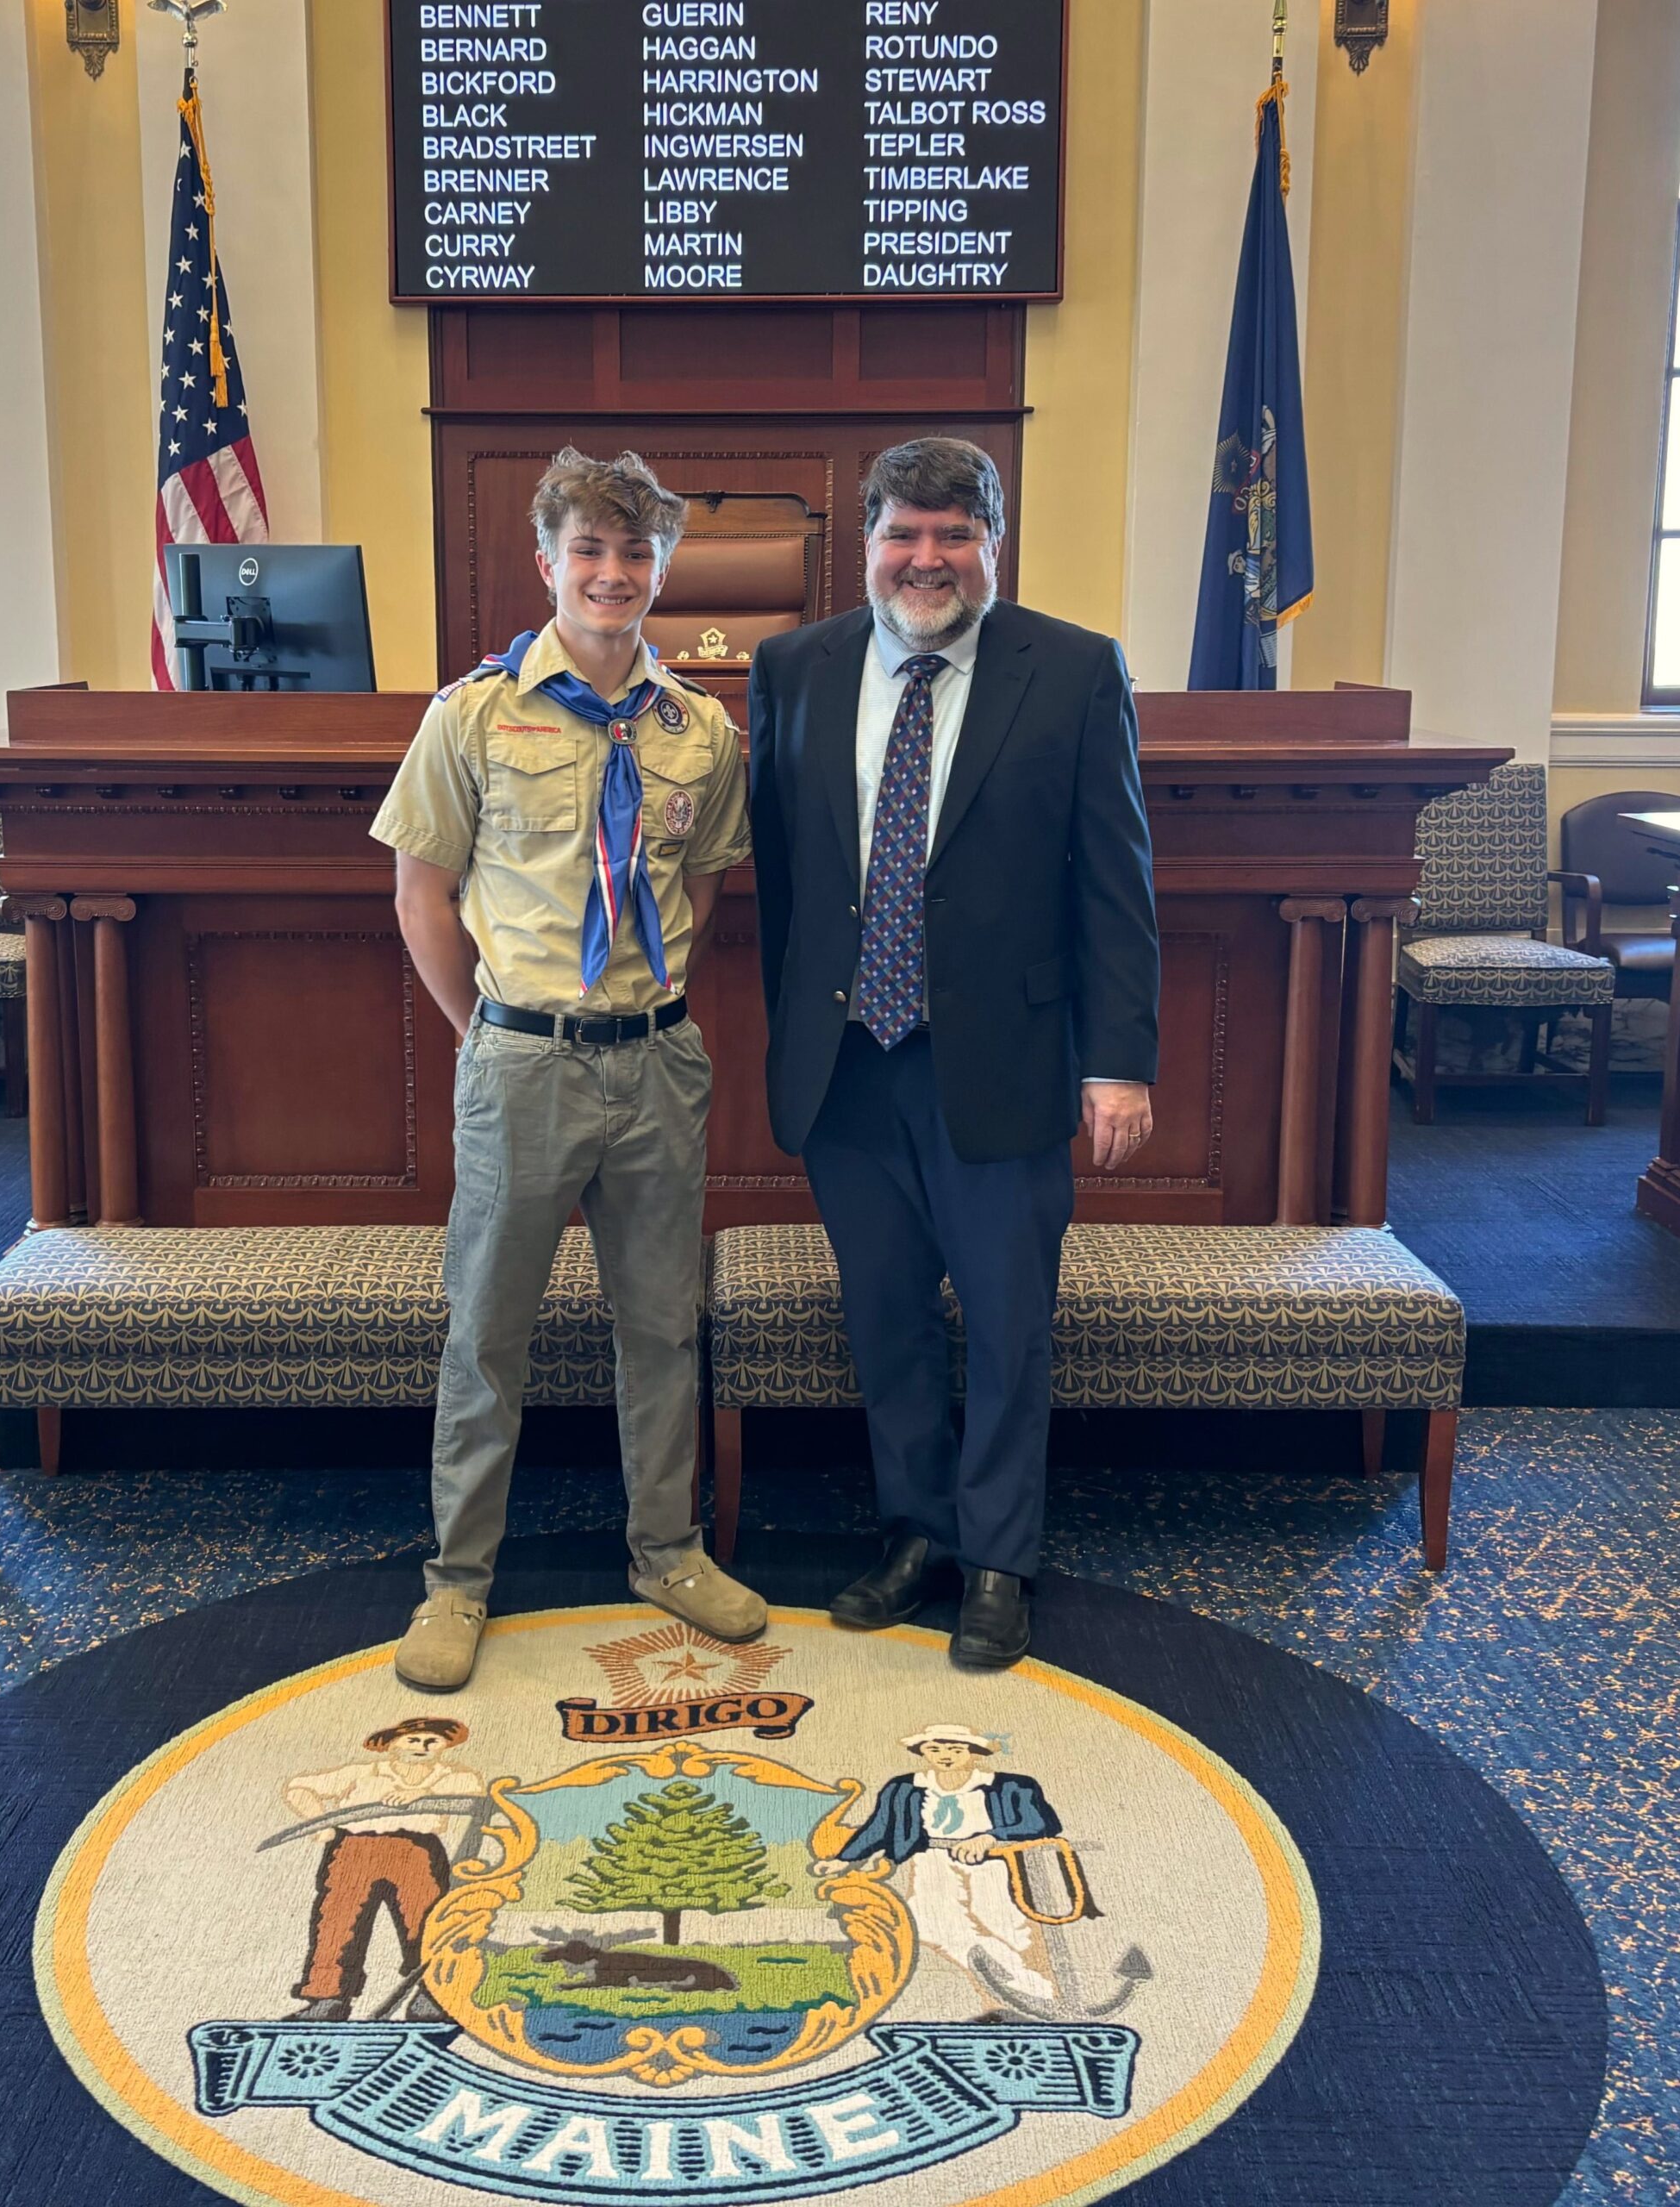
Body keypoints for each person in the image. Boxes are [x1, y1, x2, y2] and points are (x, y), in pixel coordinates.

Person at [747, 437, 1159, 1669]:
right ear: (863, 538)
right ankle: (914, 1534)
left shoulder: (1074, 669)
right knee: (884, 1322)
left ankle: (997, 1563)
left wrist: (1117, 1060)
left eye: (951, 533)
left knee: (1006, 1320)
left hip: (1004, 1060)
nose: (924, 557)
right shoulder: (793, 666)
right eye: (900, 532)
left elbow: (1115, 883)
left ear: (991, 538)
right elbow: (782, 877)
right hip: (846, 1065)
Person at [372, 447, 767, 1693]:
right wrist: (482, 1034)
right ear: (545, 564)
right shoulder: (474, 715)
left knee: (659, 1325)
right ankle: (456, 1582)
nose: (611, 574)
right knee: (486, 1333)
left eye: (634, 552)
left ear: (660, 570)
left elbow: (698, 883)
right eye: (587, 552)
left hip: (654, 1063)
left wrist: (645, 1001)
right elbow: (420, 894)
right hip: (523, 1064)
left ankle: (666, 1548)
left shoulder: (699, 730)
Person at [815, 1724, 1065, 2016]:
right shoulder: (904, 1787)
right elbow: (880, 1826)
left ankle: (1036, 1989)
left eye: (956, 1750)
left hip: (993, 1861)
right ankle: (1023, 1985)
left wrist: (989, 1837)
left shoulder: (1012, 1786)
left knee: (1004, 1922)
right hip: (931, 1859)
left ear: (974, 1753)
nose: (944, 1756)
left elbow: (1041, 1823)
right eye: (934, 1749)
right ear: (922, 1752)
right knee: (932, 1922)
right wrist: (844, 1859)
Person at [284, 1716, 487, 2019]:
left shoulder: (450, 1776)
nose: (422, 1747)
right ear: (391, 1744)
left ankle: (434, 1994)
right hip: (355, 1849)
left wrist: (425, 1796)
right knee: (337, 1922)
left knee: (428, 1921)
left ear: (444, 1746)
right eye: (413, 1740)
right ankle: (327, 1998)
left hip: (416, 1849)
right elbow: (298, 1787)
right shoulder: (364, 1773)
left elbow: (476, 1797)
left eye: (432, 1741)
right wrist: (318, 1824)